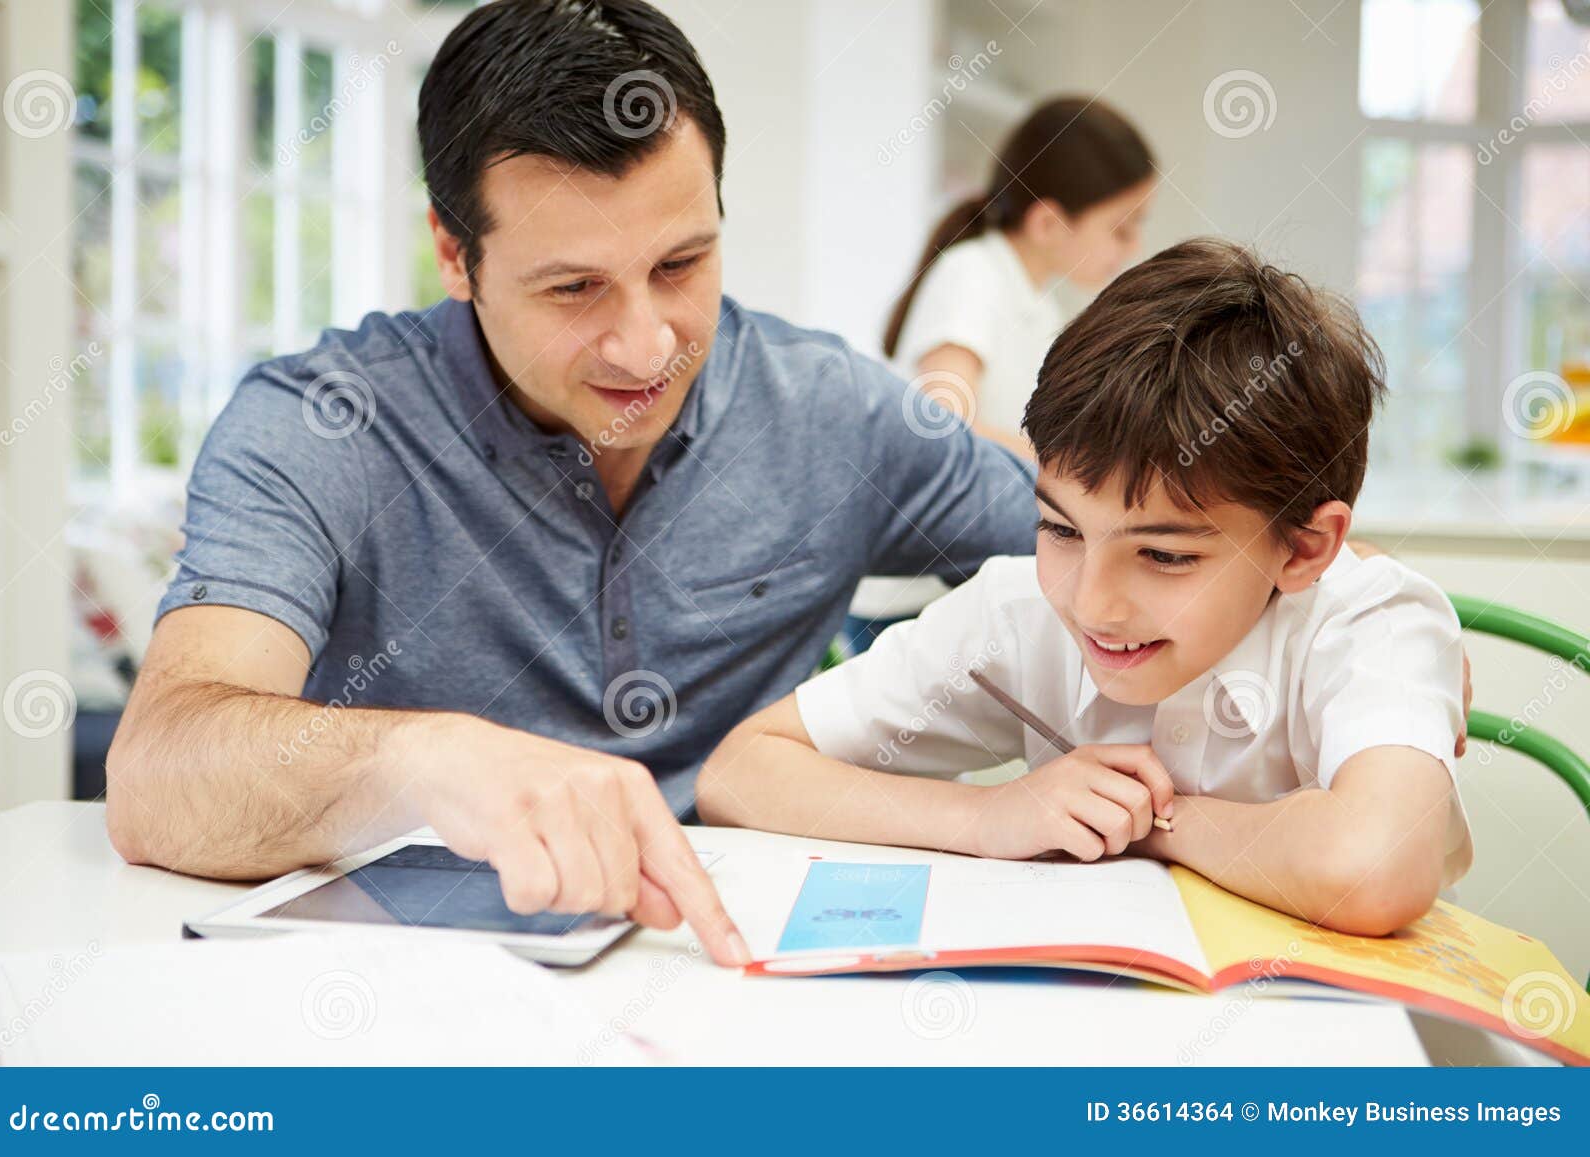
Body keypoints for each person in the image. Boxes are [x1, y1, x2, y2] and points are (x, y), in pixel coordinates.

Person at [103, 0, 1036, 966]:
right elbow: (157, 774)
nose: (646, 346)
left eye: (681, 263)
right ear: (455, 254)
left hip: (738, 979)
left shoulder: (836, 414)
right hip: (416, 997)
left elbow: (1108, 555)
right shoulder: (320, 427)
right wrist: (426, 758)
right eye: (572, 288)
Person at [698, 238, 1473, 937]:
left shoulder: (1376, 623)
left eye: (1165, 557)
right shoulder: (1021, 611)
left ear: (1304, 549)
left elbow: (1376, 868)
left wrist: (1151, 822)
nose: (1093, 603)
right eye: (1061, 529)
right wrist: (989, 814)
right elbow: (738, 773)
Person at [845, 98, 1155, 652]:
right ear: (1046, 222)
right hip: (912, 600)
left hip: (958, 580)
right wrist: (1073, 467)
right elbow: (942, 427)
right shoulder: (974, 277)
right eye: (1121, 228)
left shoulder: (1037, 301)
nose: (1132, 248)